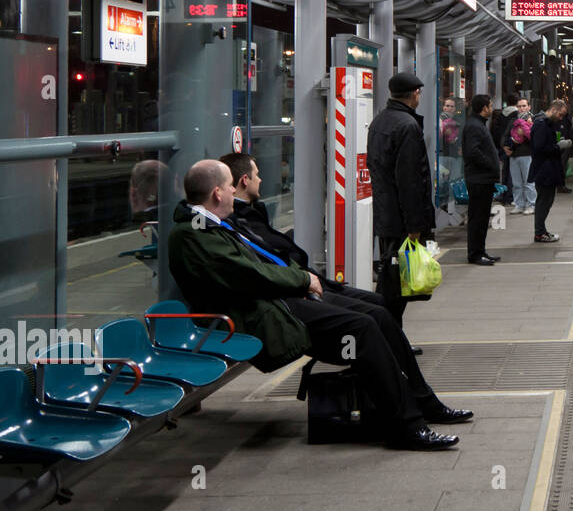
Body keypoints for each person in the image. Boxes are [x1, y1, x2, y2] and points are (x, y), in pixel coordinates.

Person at [167, 159, 464, 451]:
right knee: (362, 328)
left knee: (378, 313)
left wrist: (301, 280)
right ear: (217, 193)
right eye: (230, 187)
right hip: (259, 311)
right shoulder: (193, 234)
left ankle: (423, 402)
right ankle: (406, 427)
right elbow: (249, 275)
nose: (234, 192)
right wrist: (300, 280)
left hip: (274, 299)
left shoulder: (210, 226)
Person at [367, 71, 435, 326]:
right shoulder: (407, 126)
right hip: (401, 221)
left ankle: (389, 338)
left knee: (391, 280)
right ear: (415, 93)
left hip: (386, 214)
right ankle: (387, 338)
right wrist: (415, 226)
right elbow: (410, 180)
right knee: (397, 287)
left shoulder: (379, 121)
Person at [461, 93, 500, 266]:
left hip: (483, 179)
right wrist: (490, 164)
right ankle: (475, 254)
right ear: (484, 108)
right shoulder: (474, 126)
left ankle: (481, 250)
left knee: (483, 218)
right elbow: (472, 152)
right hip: (478, 179)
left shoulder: (478, 124)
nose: (491, 108)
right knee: (477, 218)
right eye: (490, 105)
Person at [528, 100, 570, 243]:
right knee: (543, 202)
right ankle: (539, 233)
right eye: (560, 114)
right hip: (544, 170)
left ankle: (542, 231)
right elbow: (539, 148)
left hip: (547, 170)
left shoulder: (546, 123)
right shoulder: (541, 124)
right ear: (553, 109)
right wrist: (558, 147)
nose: (561, 118)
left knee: (546, 201)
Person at [503, 95, 536, 214]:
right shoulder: (513, 120)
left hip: (527, 154)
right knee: (516, 183)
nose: (522, 108)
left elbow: (536, 139)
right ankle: (519, 204)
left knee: (529, 182)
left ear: (529, 107)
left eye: (524, 106)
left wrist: (525, 133)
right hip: (514, 155)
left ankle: (531, 204)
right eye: (519, 106)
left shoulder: (534, 120)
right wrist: (505, 147)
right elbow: (505, 135)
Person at [556, 100, 573, 193]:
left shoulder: (566, 118)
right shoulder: (559, 119)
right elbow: (558, 131)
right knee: (561, 166)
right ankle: (560, 186)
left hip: (565, 145)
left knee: (562, 166)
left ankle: (561, 185)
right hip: (560, 146)